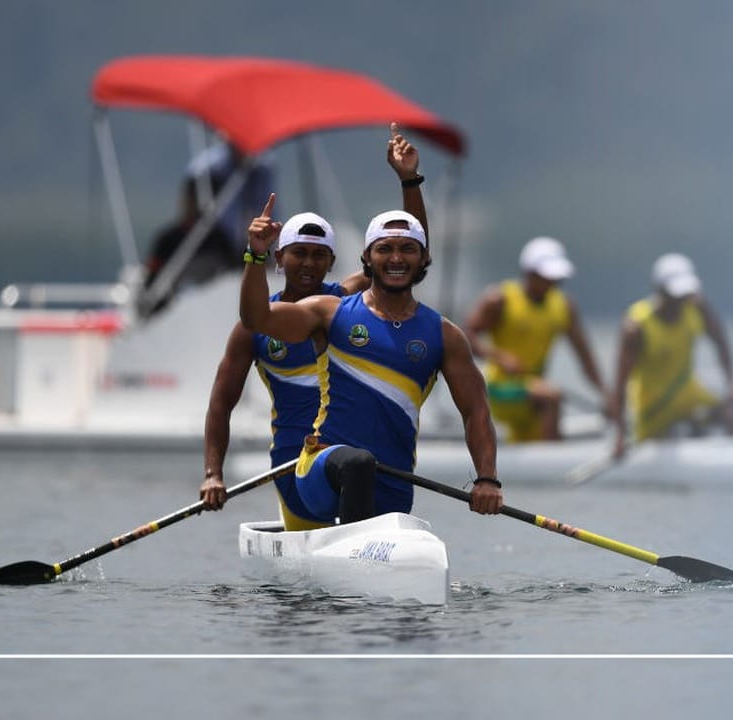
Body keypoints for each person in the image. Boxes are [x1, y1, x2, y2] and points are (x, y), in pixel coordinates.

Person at [213, 195, 503, 529]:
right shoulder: (330, 312)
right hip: (319, 470)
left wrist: (487, 479)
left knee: (366, 472)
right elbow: (256, 318)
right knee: (357, 463)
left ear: (424, 257)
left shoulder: (445, 335)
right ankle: (353, 545)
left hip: (392, 479)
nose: (396, 258)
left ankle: (358, 545)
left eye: (408, 249)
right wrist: (255, 254)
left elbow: (476, 412)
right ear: (366, 257)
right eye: (384, 249)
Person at [199, 124, 440, 521]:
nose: (308, 264)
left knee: (357, 470)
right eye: (298, 253)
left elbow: (411, 253)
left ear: (332, 262)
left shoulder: (341, 304)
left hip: (356, 466)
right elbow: (221, 403)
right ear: (280, 258)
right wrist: (213, 474)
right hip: (294, 467)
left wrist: (409, 180)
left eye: (318, 255)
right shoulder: (254, 326)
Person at [463, 237, 608, 442]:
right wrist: (499, 357)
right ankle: (550, 458)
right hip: (500, 390)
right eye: (547, 276)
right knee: (552, 397)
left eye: (557, 278)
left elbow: (585, 357)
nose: (553, 283)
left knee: (544, 405)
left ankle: (539, 453)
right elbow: (466, 336)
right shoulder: (499, 299)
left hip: (533, 390)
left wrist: (606, 396)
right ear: (529, 273)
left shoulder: (564, 307)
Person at [608, 252, 733, 459]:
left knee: (732, 415)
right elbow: (620, 383)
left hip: (688, 394)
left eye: (685, 293)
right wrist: (619, 435)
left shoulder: (698, 308)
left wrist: (732, 383)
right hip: (653, 407)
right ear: (659, 290)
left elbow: (721, 342)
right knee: (665, 436)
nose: (681, 300)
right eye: (675, 294)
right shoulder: (636, 327)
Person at [142, 145, 275, 316]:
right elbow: (152, 282)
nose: (192, 202)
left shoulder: (220, 240)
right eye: (190, 196)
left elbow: (239, 274)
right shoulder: (168, 240)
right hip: (174, 313)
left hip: (212, 312)